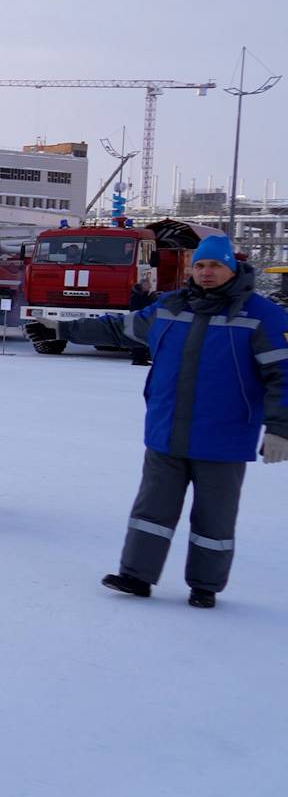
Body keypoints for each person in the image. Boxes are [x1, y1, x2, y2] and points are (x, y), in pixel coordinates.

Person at [28, 235, 288, 606]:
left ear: (232, 267)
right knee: (152, 511)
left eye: (215, 265)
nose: (207, 272)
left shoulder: (262, 315)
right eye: (200, 265)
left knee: (214, 519)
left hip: (224, 437)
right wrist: (63, 328)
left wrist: (281, 428)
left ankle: (205, 585)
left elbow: (284, 374)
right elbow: (119, 328)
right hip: (166, 432)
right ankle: (136, 576)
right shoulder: (169, 307)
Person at [126, 278, 155, 366]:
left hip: (142, 319)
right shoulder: (137, 296)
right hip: (138, 319)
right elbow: (137, 308)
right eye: (148, 285)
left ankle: (142, 358)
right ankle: (138, 358)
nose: (150, 286)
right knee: (139, 339)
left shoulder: (144, 295)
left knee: (142, 339)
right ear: (143, 285)